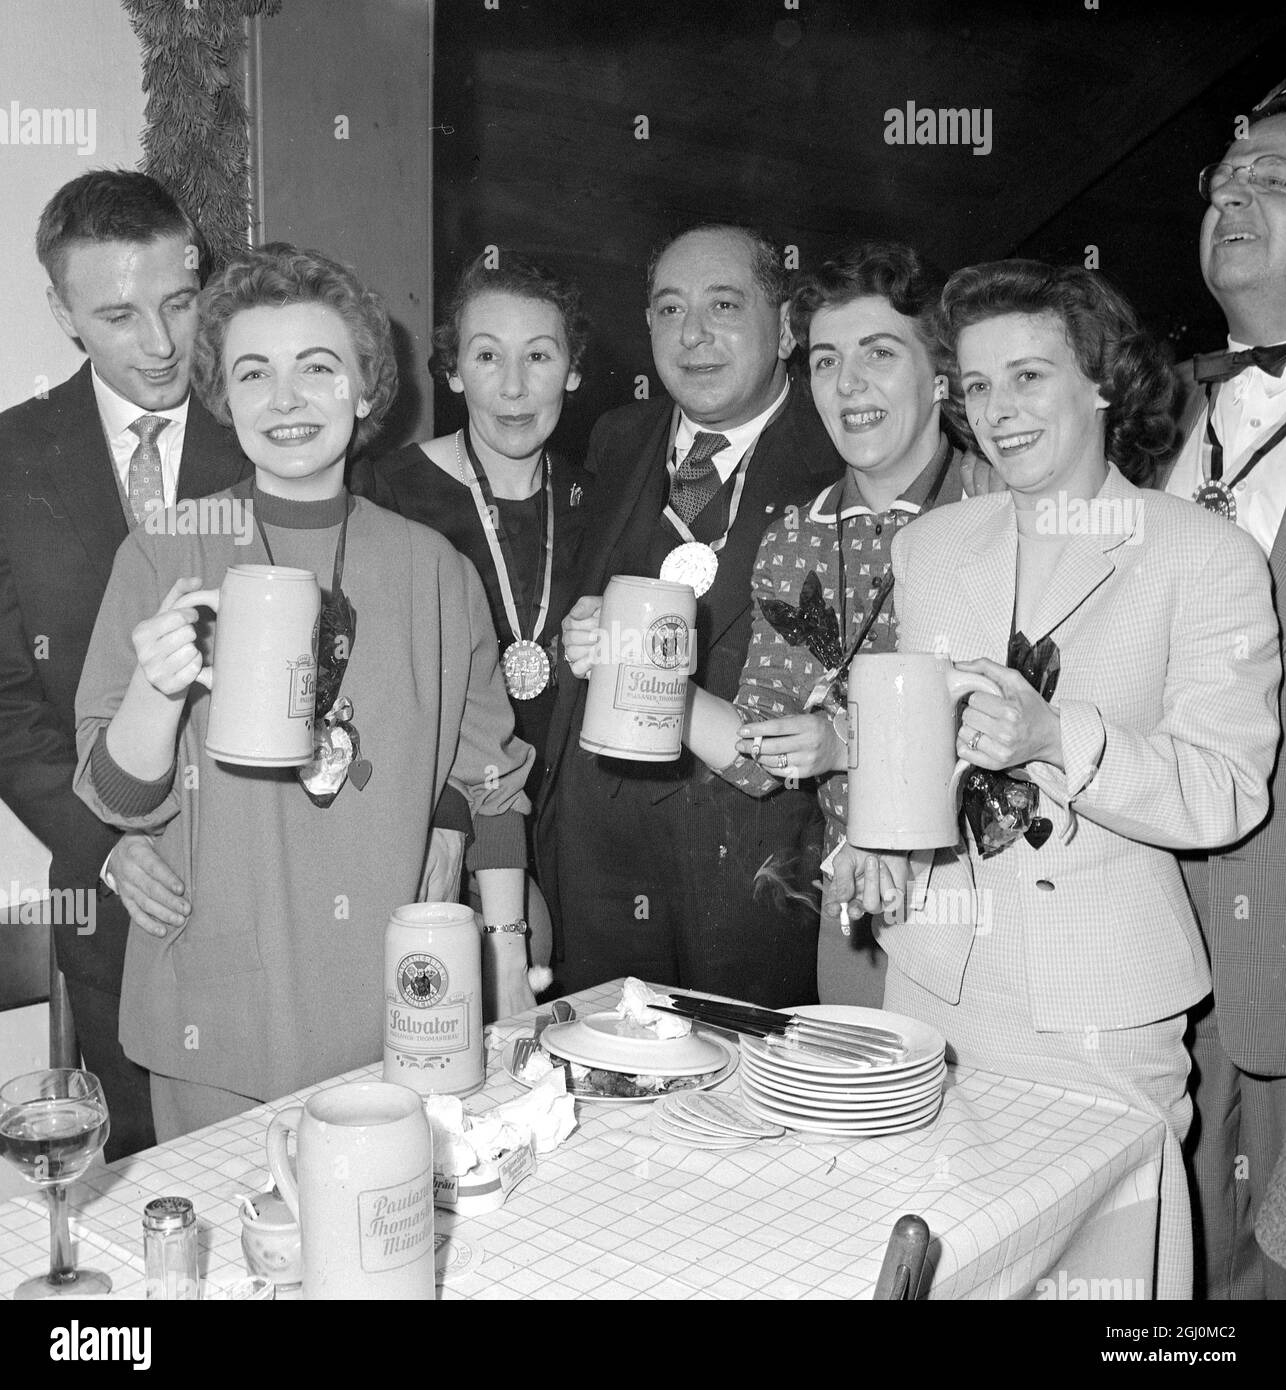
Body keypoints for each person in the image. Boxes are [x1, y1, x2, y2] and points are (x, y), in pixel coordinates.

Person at [831, 260, 1280, 1299]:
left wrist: (1051, 738)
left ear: (1100, 384)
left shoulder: (1204, 556)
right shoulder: (934, 545)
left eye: (1028, 377)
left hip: (1097, 1013)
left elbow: (1223, 790)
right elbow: (908, 740)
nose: (997, 411)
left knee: (1105, 1293)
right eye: (976, 386)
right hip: (932, 988)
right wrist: (878, 839)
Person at [73, 244, 535, 1140]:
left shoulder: (434, 570)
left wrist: (508, 962)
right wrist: (158, 691)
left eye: (316, 369)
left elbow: (495, 782)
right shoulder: (166, 549)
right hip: (217, 1019)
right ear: (224, 398)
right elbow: (121, 796)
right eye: (254, 374)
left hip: (400, 1011)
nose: (284, 400)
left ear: (365, 388)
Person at [0, 171, 249, 1159]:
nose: (160, 346)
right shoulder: (8, 460)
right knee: (150, 1185)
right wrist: (102, 839)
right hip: (112, 901)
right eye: (117, 314)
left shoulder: (277, 430)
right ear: (60, 312)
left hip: (281, 891)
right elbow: (4, 705)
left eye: (180, 303)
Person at [659, 241, 967, 1006]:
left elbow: (1015, 725)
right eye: (826, 360)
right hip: (855, 911)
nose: (848, 384)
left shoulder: (994, 510)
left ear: (941, 377)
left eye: (879, 354)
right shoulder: (799, 533)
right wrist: (645, 671)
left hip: (989, 899)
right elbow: (763, 754)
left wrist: (847, 745)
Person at [543, 224, 843, 1007]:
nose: (694, 334)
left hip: (753, 869)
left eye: (723, 305)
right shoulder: (617, 438)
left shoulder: (840, 457)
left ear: (784, 329)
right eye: (670, 309)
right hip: (600, 854)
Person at [352, 252, 592, 973]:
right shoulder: (387, 494)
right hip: (449, 828)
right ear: (453, 371)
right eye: (488, 356)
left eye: (540, 356)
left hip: (577, 840)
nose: (514, 386)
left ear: (574, 370)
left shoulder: (600, 500)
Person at [1156, 78, 1286, 1301]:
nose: (1233, 200)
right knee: (1174, 1273)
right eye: (1225, 183)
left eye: (1274, 183)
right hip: (1159, 941)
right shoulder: (1150, 419)